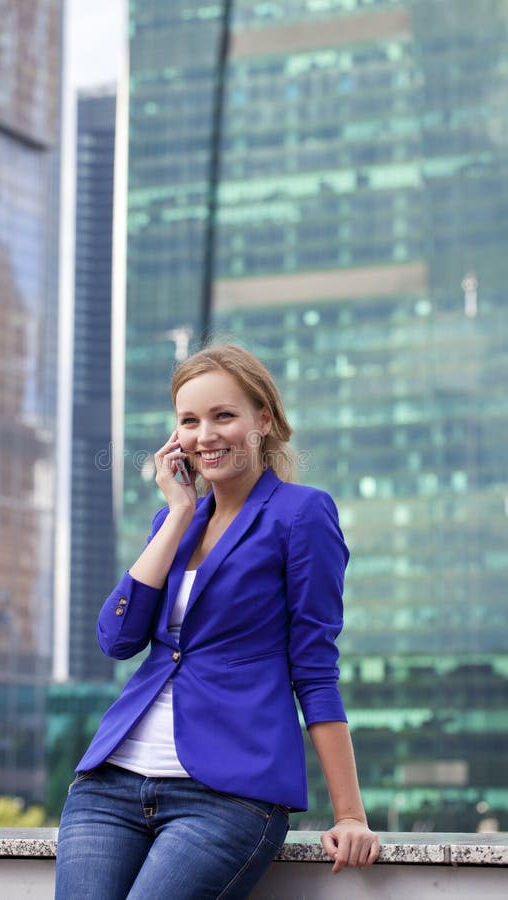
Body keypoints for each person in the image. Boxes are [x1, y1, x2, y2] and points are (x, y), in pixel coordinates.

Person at [55, 344, 380, 899]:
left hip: (226, 794)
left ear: (264, 421)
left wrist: (350, 814)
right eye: (189, 420)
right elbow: (117, 638)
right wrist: (179, 512)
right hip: (110, 785)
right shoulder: (173, 518)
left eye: (223, 416)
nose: (205, 435)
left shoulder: (302, 513)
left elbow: (316, 669)